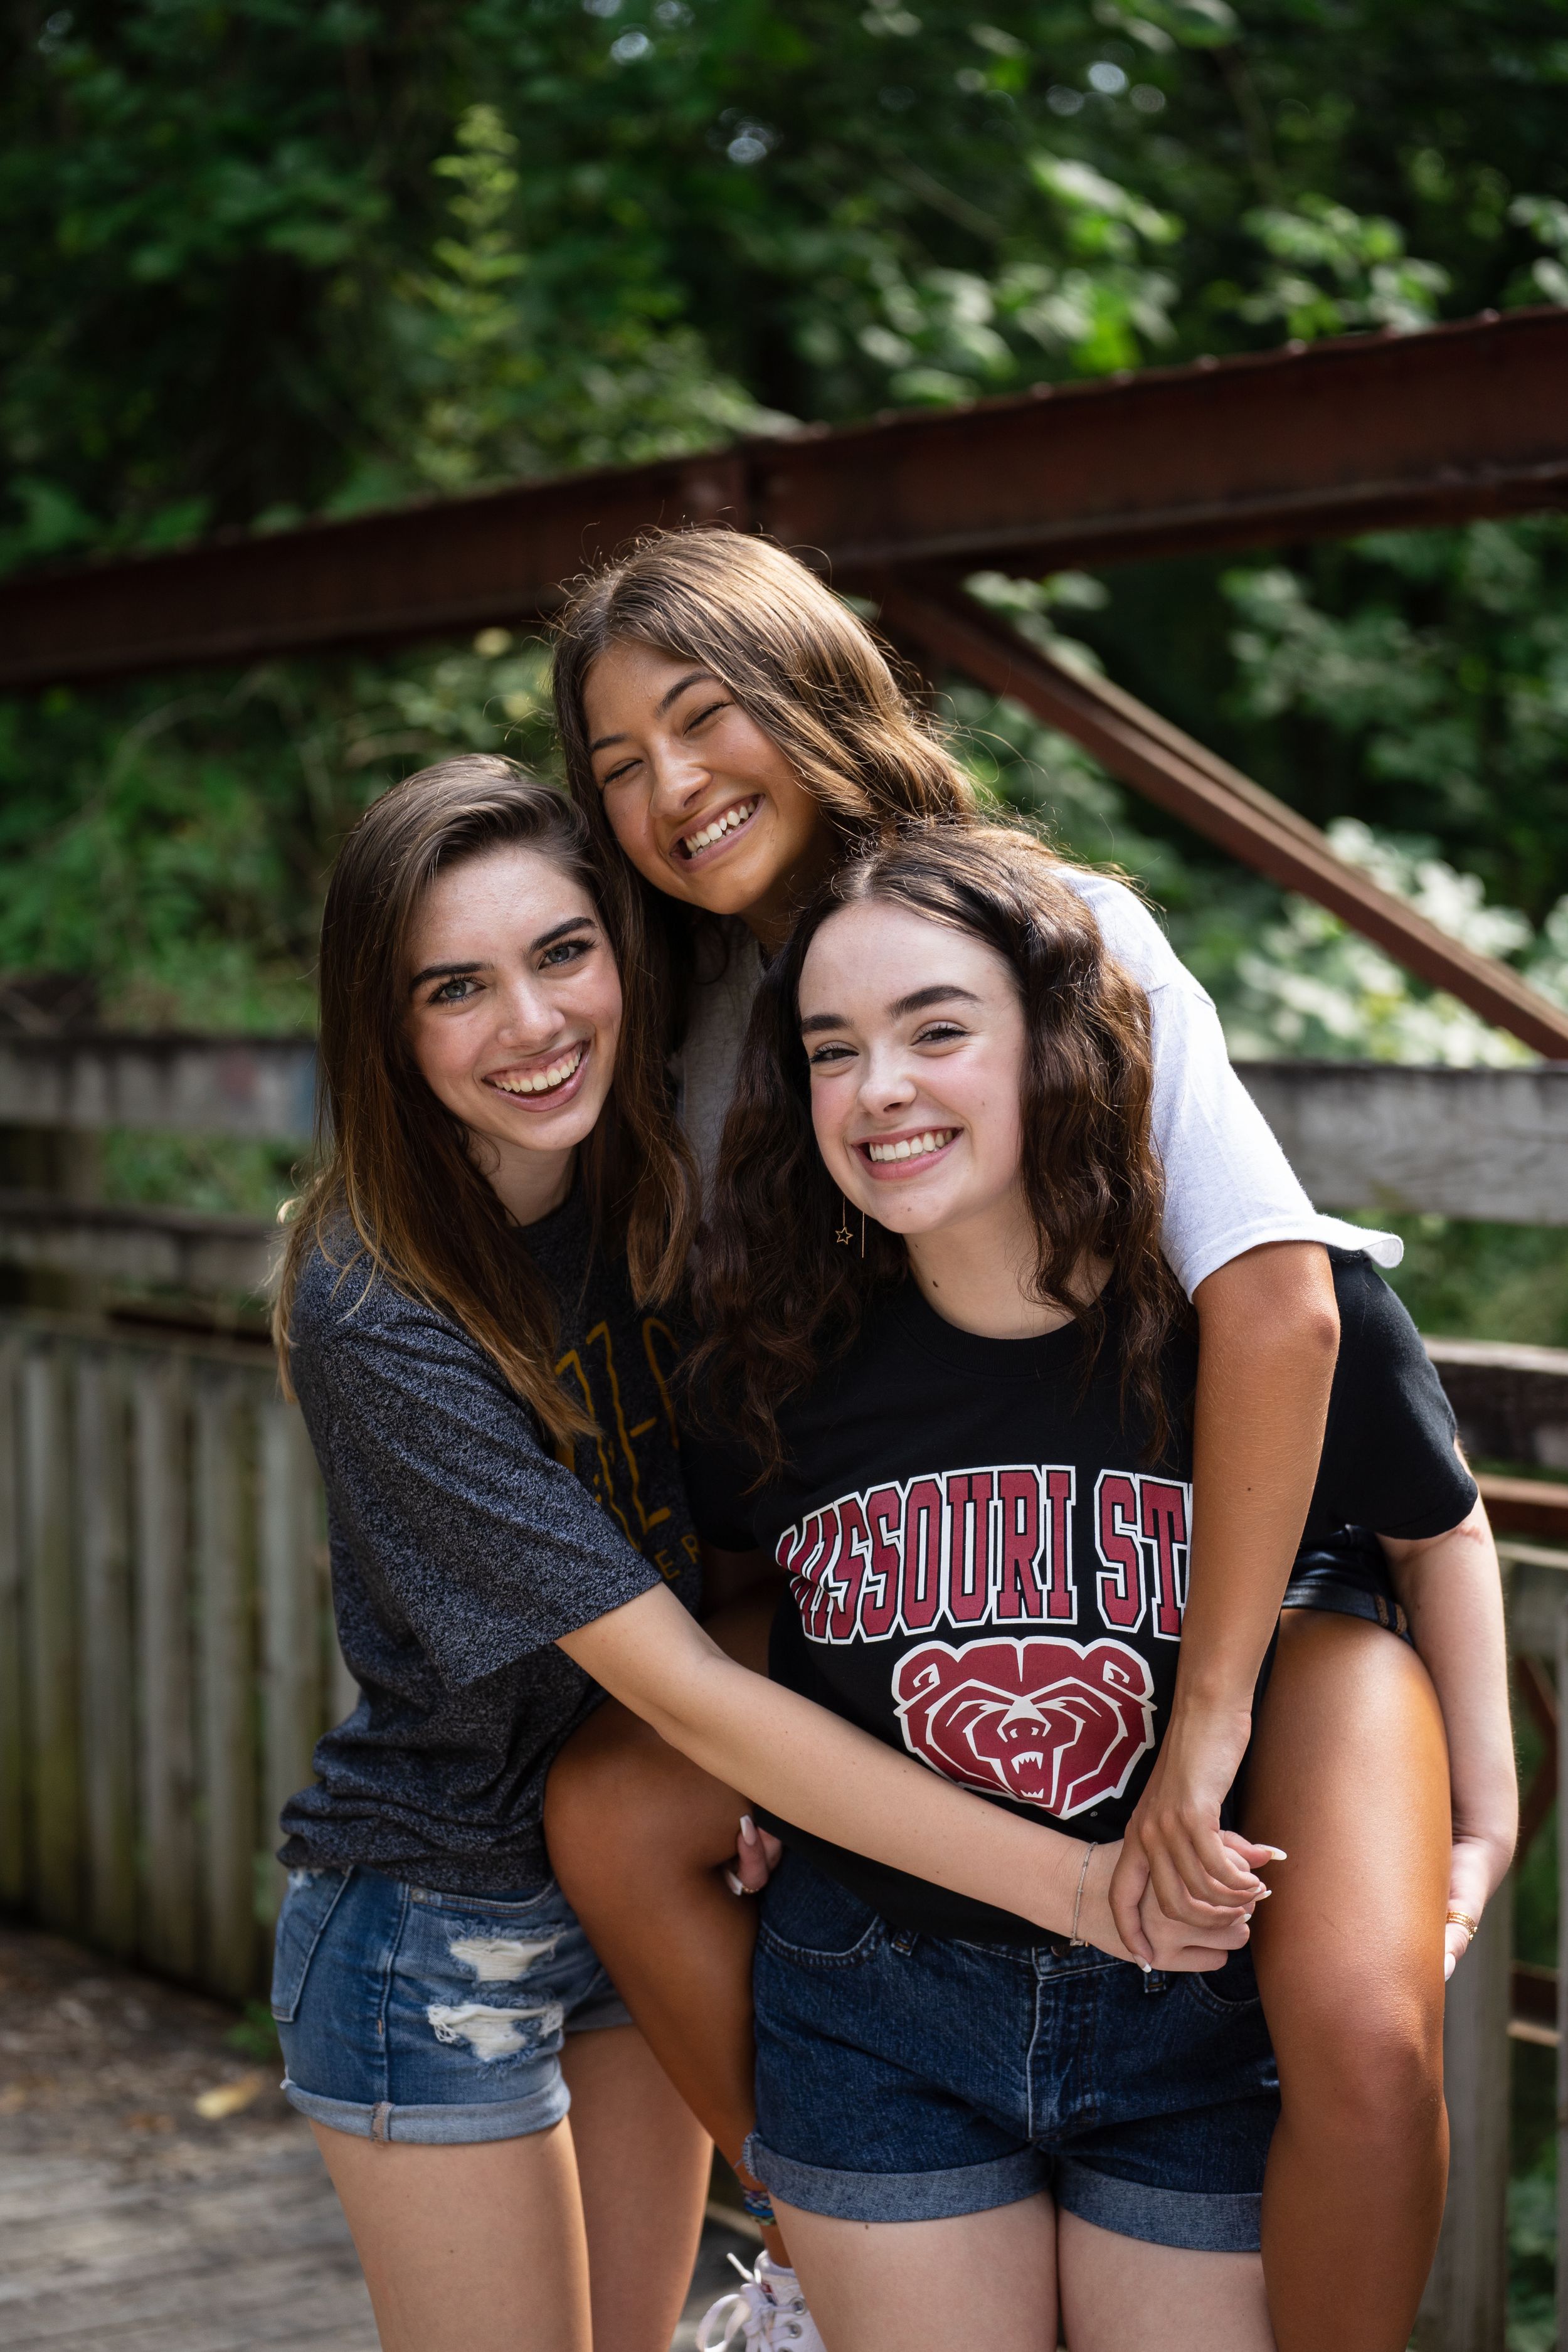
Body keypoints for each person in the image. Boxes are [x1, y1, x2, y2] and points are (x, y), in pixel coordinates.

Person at [539, 528, 1512, 2352]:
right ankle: (829, 2207)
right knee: (614, 1793)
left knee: (1354, 2016)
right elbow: (749, 1423)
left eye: (700, 715)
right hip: (913, 1545)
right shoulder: (679, 1020)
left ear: (811, 693)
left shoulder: (1061, 925)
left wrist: (1219, 1721)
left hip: (1195, 1547)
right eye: (613, 765)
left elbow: (1295, 1317)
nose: (667, 787)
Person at [270, 757, 1233, 2352]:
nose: (530, 1023)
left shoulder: (652, 1184)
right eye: (455, 987)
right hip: (436, 1919)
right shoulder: (377, 1303)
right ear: (385, 1027)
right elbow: (687, 1694)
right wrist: (1083, 1888)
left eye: (562, 953)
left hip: (638, 1878)